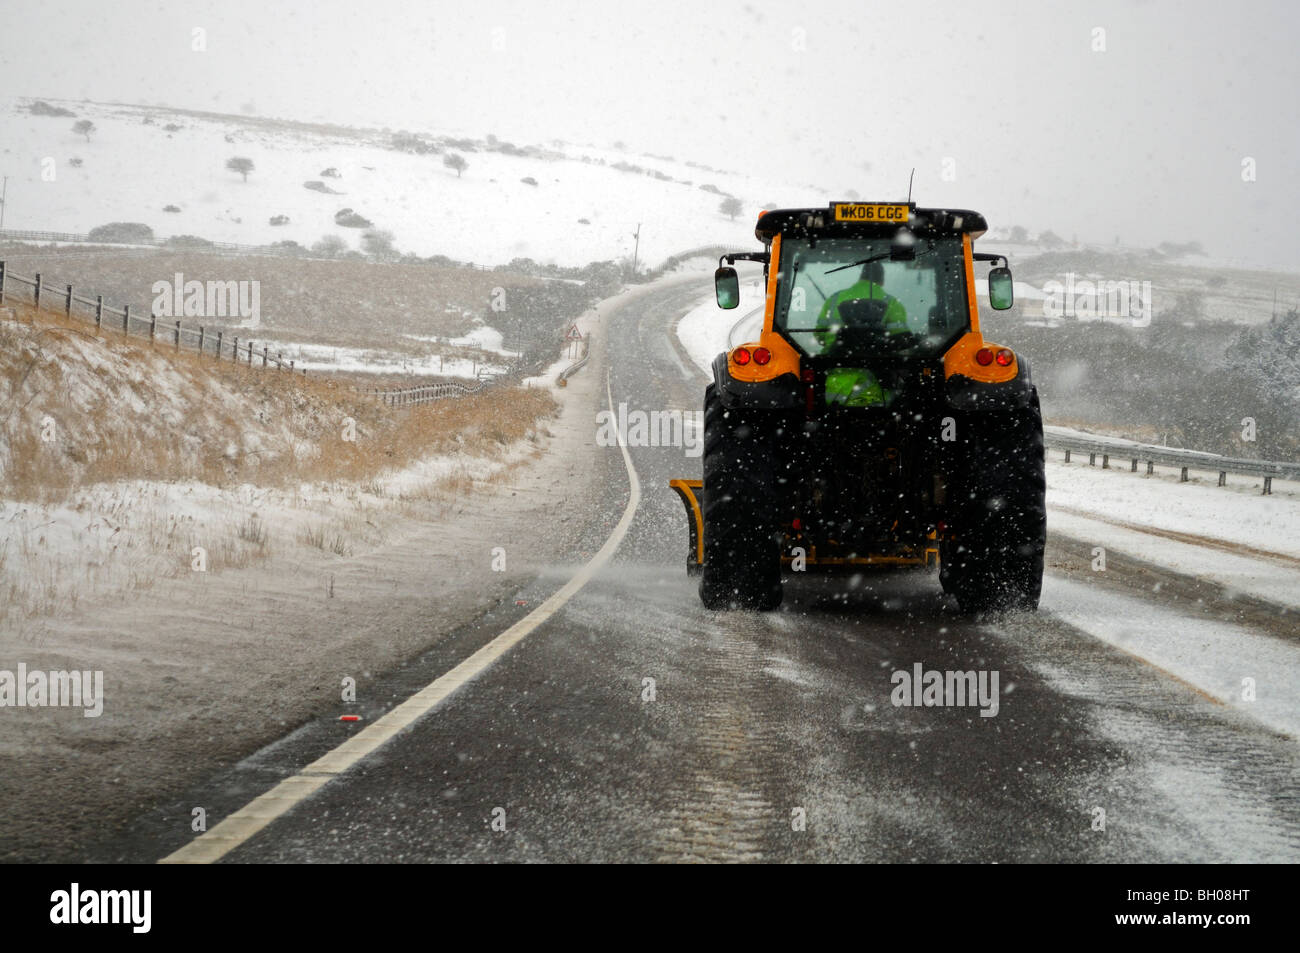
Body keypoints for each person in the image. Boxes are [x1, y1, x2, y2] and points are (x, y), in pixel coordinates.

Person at [814, 261, 908, 407]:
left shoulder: (834, 299)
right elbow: (901, 339)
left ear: (861, 276)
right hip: (877, 378)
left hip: (833, 374)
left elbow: (819, 336)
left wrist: (839, 344)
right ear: (882, 280)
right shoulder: (891, 302)